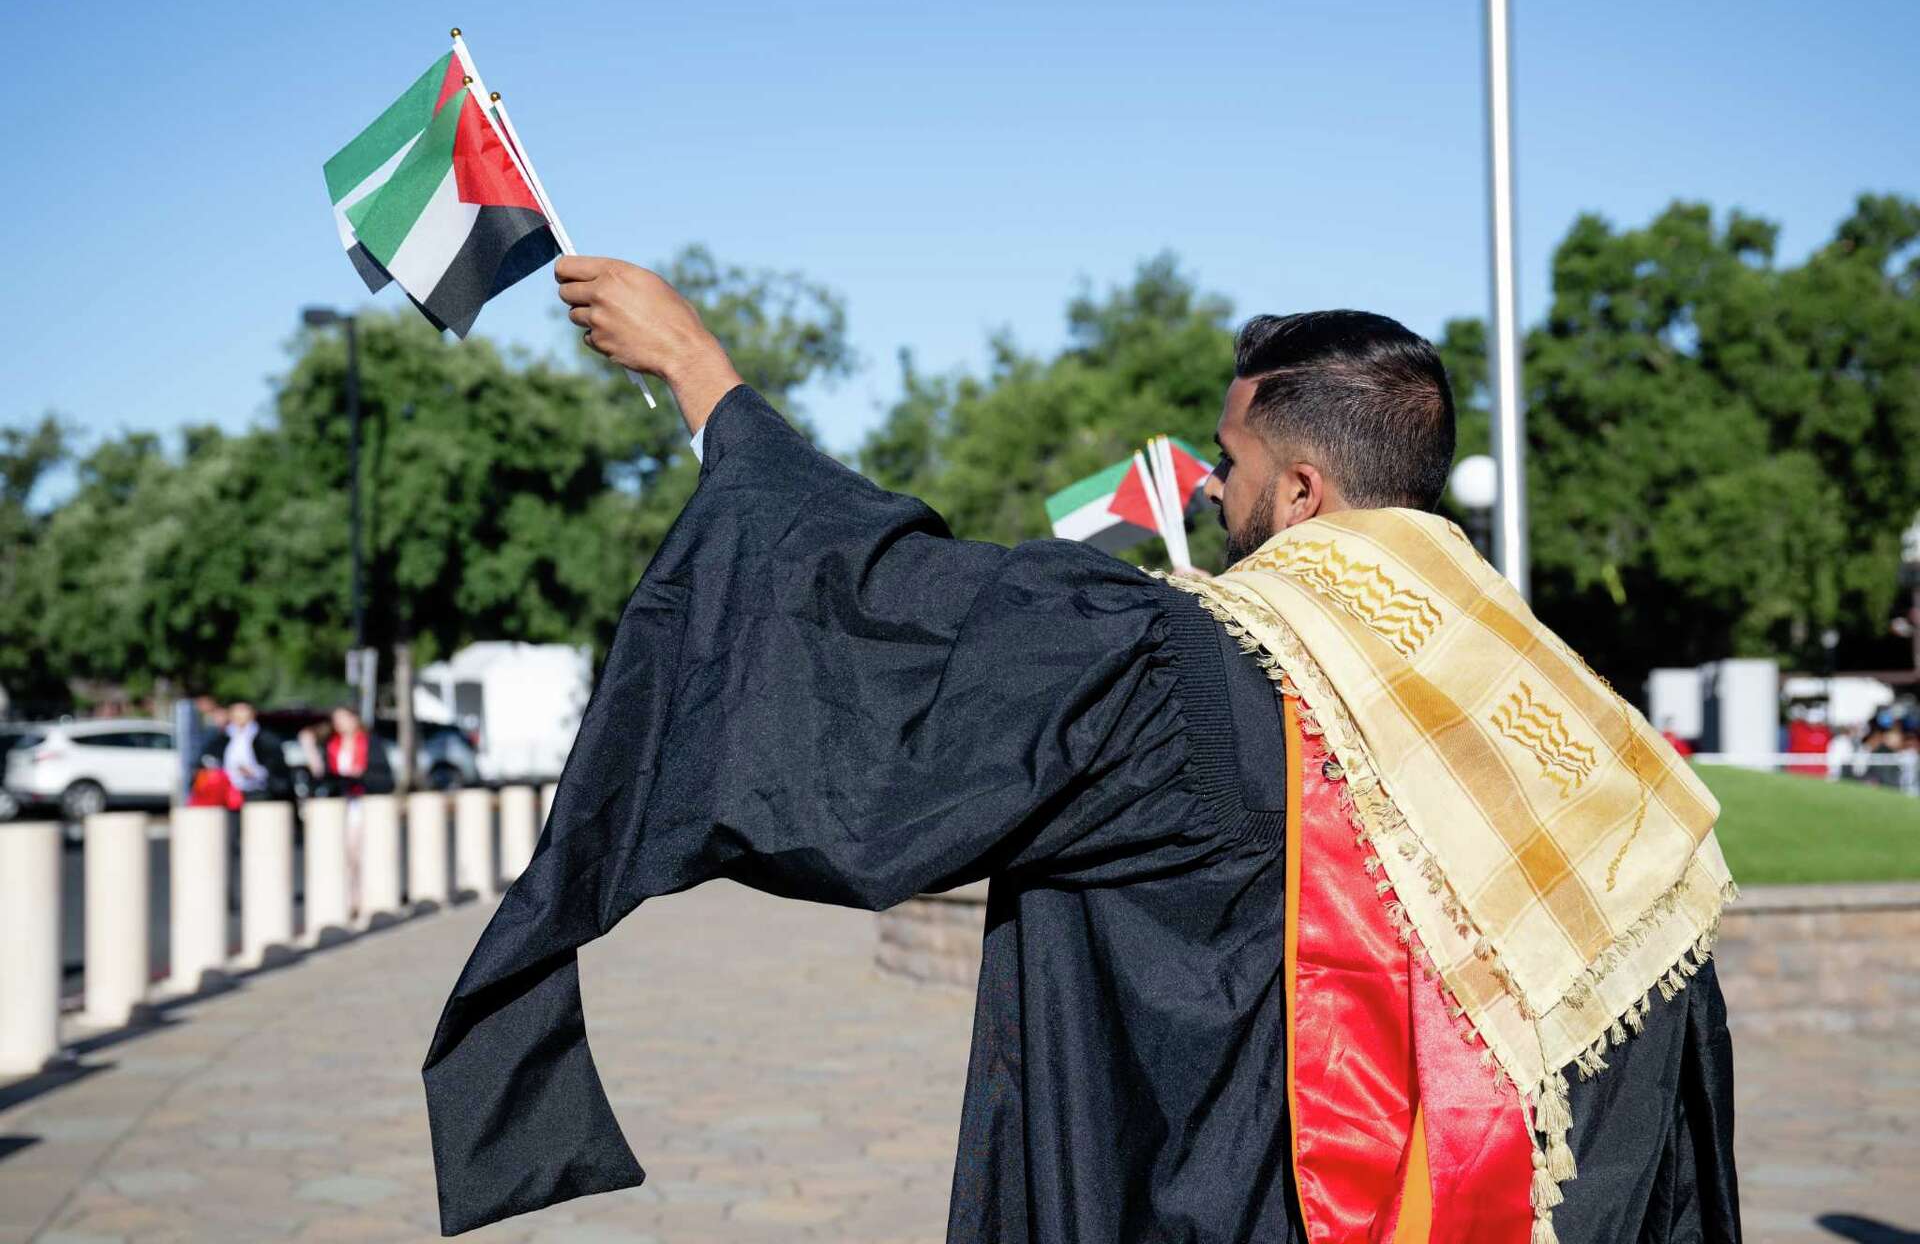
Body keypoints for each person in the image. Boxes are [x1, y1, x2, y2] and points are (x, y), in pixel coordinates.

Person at [422, 262, 1741, 1243]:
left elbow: (891, 620)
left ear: (1300, 493)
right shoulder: (1560, 713)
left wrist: (705, 378)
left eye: (1227, 463)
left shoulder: (1199, 665)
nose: (1211, 497)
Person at [299, 706, 393, 916]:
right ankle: (350, 897)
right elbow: (321, 775)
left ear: (355, 719)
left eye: (344, 718)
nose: (340, 723)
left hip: (363, 802)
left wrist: (359, 775)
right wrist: (309, 747)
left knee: (357, 852)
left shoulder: (370, 742)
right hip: (340, 803)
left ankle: (361, 896)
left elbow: (382, 776)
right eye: (336, 719)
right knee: (345, 853)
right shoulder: (331, 744)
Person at [195, 700, 290, 807]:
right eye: (236, 711)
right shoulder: (222, 737)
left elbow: (275, 766)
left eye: (243, 710)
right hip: (227, 793)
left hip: (257, 791)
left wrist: (254, 772)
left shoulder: (265, 738)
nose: (239, 715)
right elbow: (210, 760)